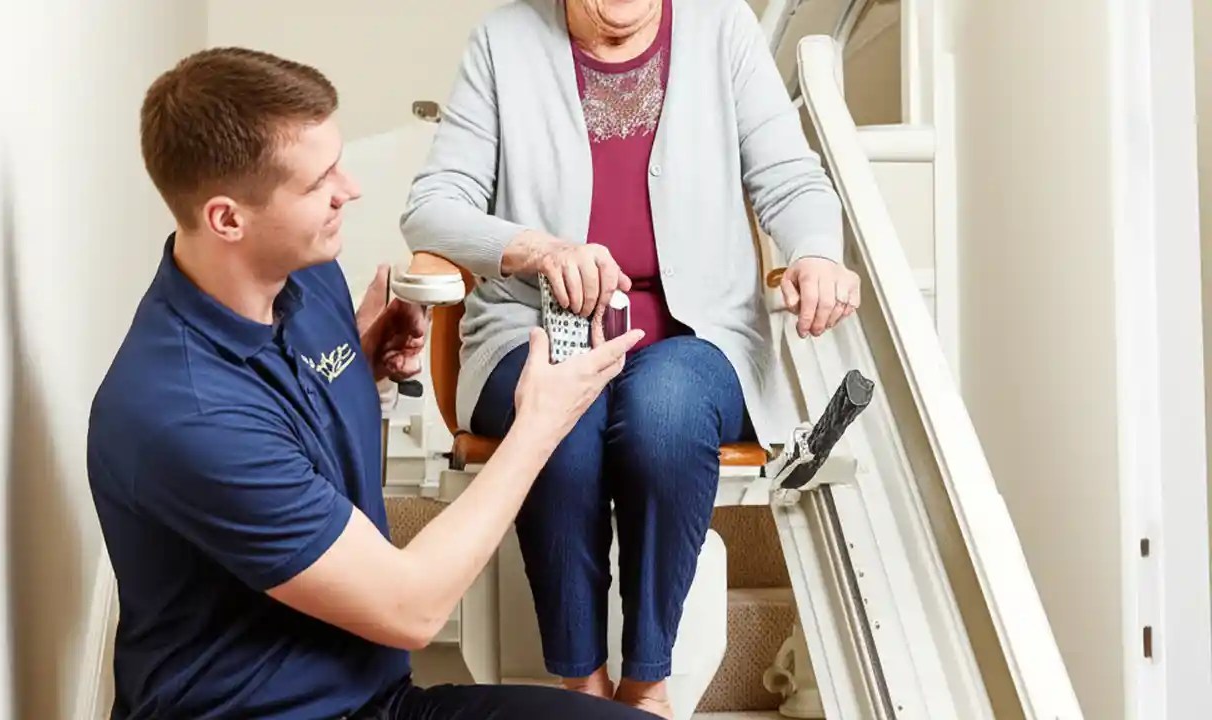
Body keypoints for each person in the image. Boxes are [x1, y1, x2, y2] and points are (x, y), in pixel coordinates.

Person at [87, 47, 652, 720]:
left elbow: (291, 435)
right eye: (318, 180)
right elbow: (412, 607)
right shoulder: (183, 411)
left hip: (377, 698)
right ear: (227, 219)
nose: (348, 188)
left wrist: (356, 365)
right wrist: (539, 423)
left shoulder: (303, 275)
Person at [401, 0, 862, 716]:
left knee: (665, 411)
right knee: (561, 419)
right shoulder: (503, 40)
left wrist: (815, 254)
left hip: (695, 337)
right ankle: (581, 686)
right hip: (531, 325)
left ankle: (647, 685)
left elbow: (791, 179)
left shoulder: (722, 28)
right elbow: (432, 205)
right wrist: (538, 249)